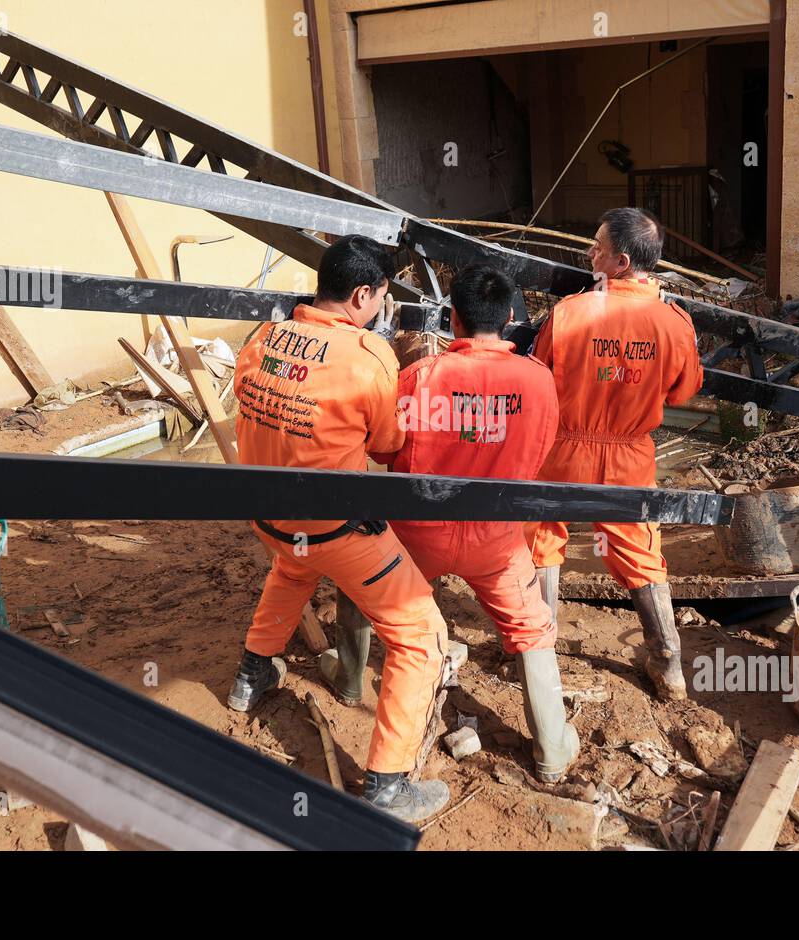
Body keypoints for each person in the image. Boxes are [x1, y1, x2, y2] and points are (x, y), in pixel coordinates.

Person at [322, 265, 579, 782]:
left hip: (418, 534)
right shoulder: (540, 381)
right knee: (531, 629)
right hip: (498, 538)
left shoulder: (419, 377)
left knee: (359, 587)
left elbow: (384, 447)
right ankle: (552, 751)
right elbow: (541, 451)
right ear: (509, 318)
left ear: (453, 318)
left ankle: (350, 680)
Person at [228, 234, 449, 822]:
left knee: (293, 567)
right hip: (334, 529)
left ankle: (252, 674)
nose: (379, 308)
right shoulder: (369, 357)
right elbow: (387, 444)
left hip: (268, 517)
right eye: (380, 297)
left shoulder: (261, 339)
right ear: (362, 295)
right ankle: (388, 783)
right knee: (420, 633)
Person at [525, 208, 703, 700]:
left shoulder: (570, 311)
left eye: (597, 245)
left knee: (542, 536)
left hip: (563, 447)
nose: (589, 252)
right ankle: (668, 662)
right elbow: (683, 394)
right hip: (630, 452)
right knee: (639, 549)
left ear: (621, 261)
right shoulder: (675, 322)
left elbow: (537, 377)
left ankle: (537, 653)